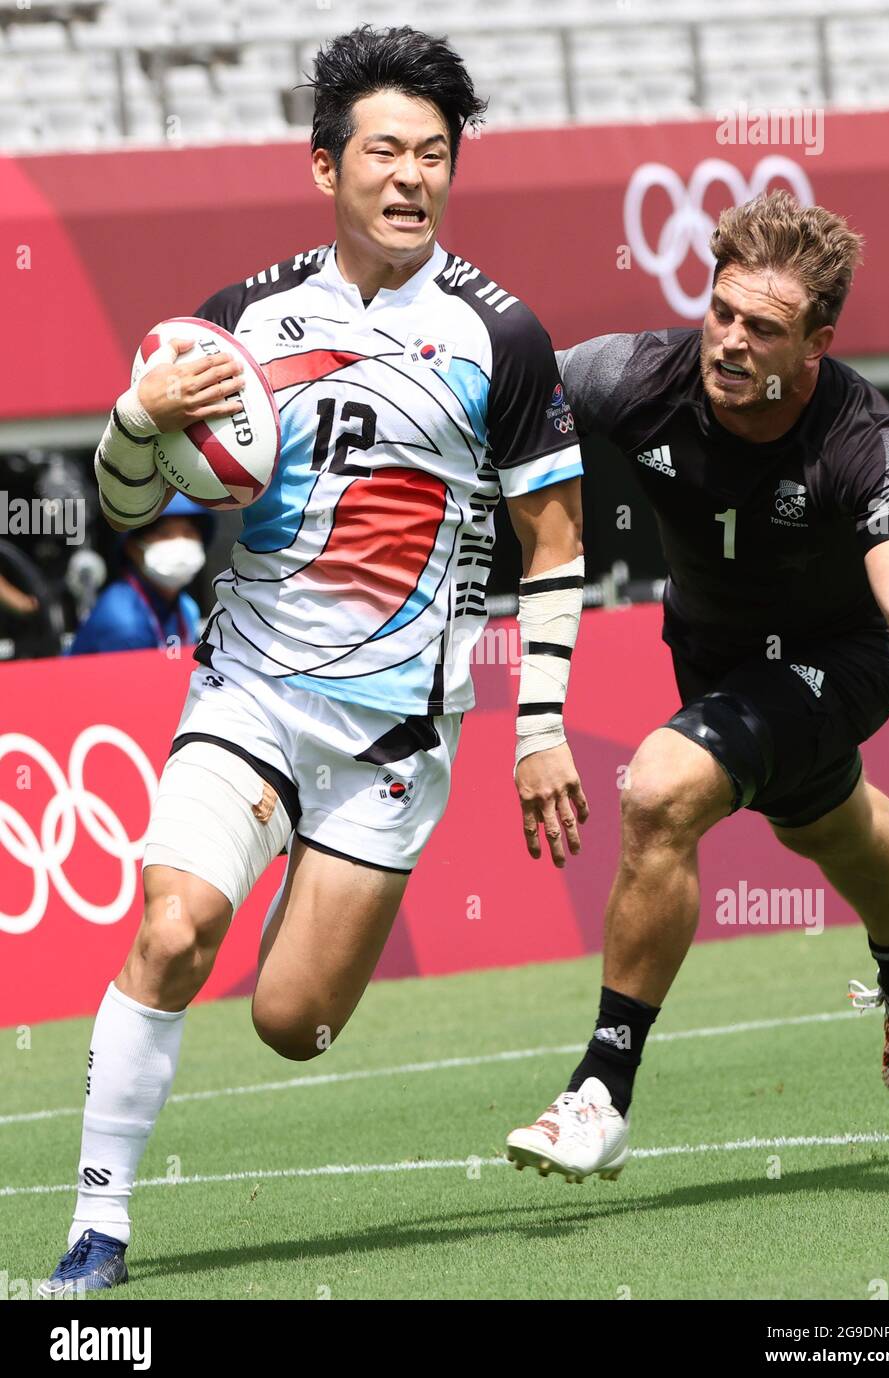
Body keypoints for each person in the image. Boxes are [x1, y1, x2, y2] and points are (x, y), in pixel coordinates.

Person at [40, 25, 588, 1295]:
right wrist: (137, 421)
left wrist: (541, 722)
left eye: (435, 155)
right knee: (172, 931)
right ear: (324, 165)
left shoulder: (501, 337)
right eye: (386, 151)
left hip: (393, 736)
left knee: (295, 1023)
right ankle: (99, 1227)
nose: (412, 177)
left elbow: (551, 545)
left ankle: (313, 923)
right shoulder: (239, 321)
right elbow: (130, 504)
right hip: (247, 692)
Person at [506, 190, 889, 1182]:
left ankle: (600, 1092)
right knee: (818, 822)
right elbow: (501, 400)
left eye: (763, 327)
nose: (731, 341)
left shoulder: (871, 444)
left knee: (660, 789)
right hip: (710, 652)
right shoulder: (637, 374)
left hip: (834, 662)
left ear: (816, 343)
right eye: (720, 311)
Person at [69, 492, 209, 654]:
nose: (180, 543)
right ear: (132, 547)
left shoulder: (186, 608)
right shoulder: (122, 623)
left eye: (188, 532)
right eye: (164, 534)